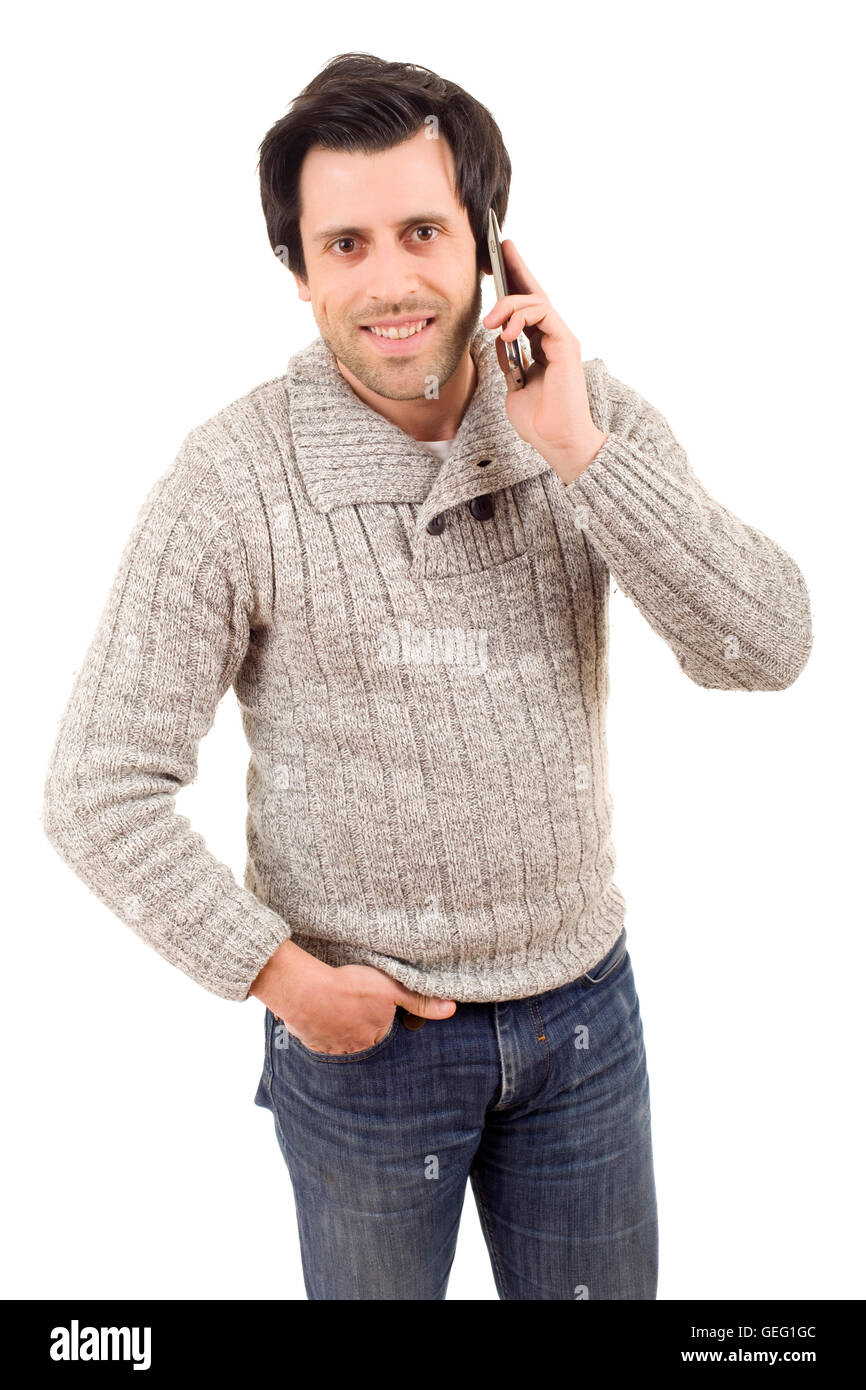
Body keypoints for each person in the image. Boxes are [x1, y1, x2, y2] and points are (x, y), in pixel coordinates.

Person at [42, 52, 813, 1300]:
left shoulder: (578, 409)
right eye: (343, 244)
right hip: (365, 1049)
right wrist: (281, 979)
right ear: (296, 273)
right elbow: (95, 786)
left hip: (583, 1017)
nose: (389, 280)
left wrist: (574, 449)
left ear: (489, 243)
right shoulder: (234, 478)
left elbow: (764, 646)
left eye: (420, 230)